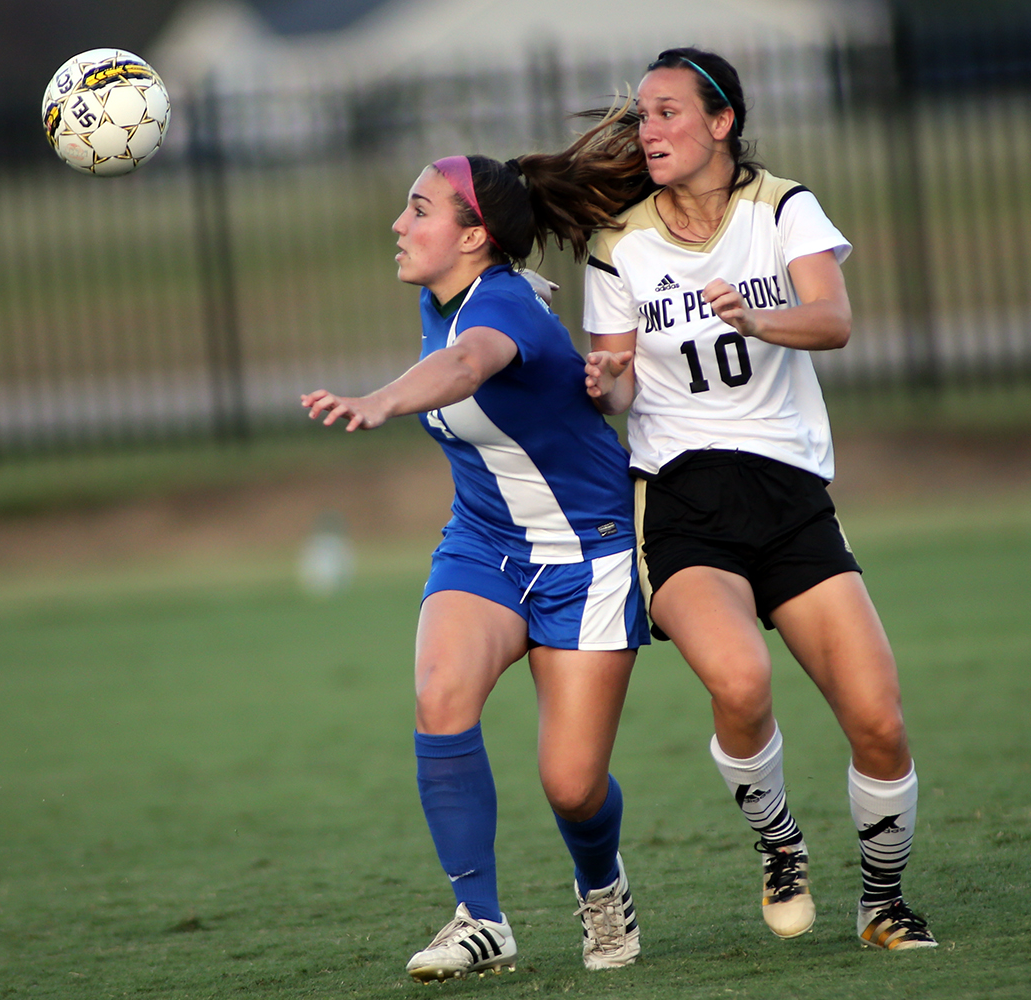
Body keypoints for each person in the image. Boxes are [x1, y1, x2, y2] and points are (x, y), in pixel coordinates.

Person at [577, 47, 936, 950]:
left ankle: (883, 902)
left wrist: (754, 315)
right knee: (740, 681)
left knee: (881, 722)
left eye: (667, 114)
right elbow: (619, 392)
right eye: (643, 117)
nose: (648, 131)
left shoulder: (781, 208)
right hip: (684, 499)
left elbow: (834, 319)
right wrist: (607, 381)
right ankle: (780, 843)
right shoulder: (619, 243)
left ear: (721, 123)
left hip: (791, 498)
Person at [300, 153, 650, 980]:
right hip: (484, 544)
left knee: (571, 786)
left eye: (417, 209)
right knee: (439, 694)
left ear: (474, 234)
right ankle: (480, 918)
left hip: (588, 553)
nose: (399, 223)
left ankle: (602, 888)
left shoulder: (503, 307)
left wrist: (381, 399)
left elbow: (466, 366)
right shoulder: (438, 296)